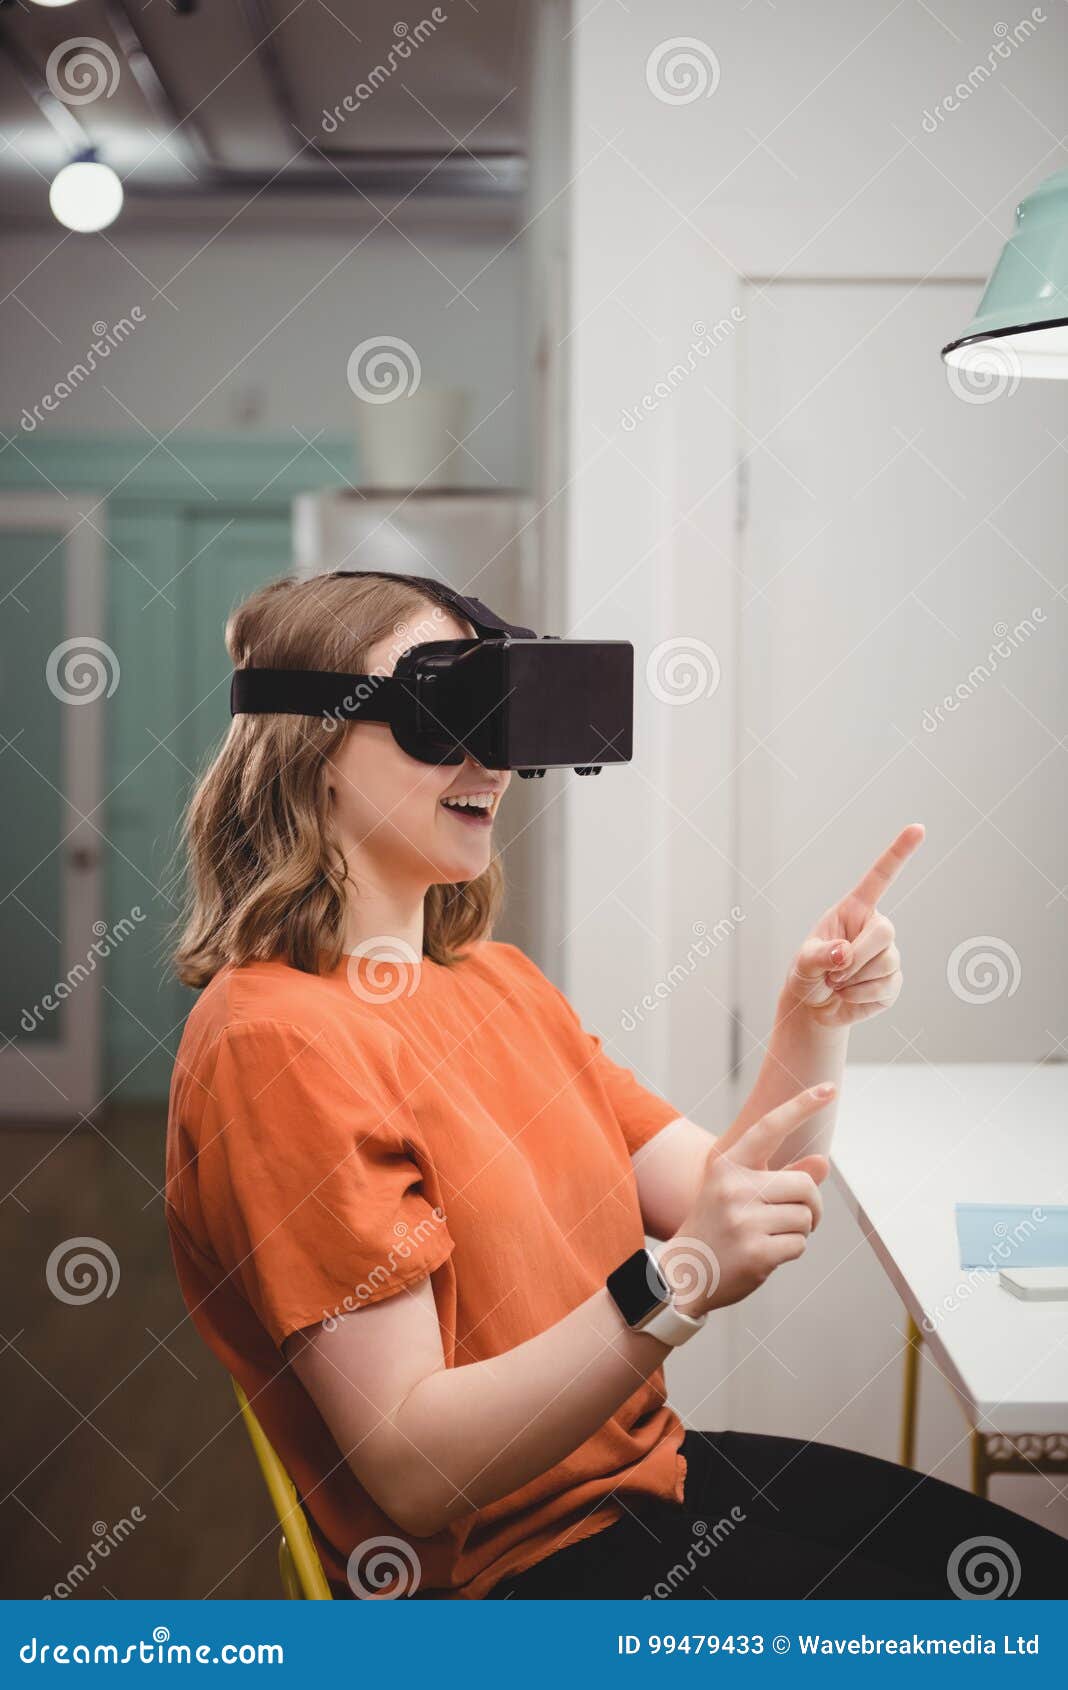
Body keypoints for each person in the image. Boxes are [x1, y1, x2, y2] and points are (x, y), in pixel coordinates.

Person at [164, 570, 1068, 1601]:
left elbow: (738, 1203)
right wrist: (669, 1287)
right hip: (518, 1577)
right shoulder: (274, 1042)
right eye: (444, 712)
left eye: (499, 715)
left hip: (650, 1479)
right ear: (312, 750)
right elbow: (415, 1470)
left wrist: (813, 1019)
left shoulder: (497, 984)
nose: (488, 760)